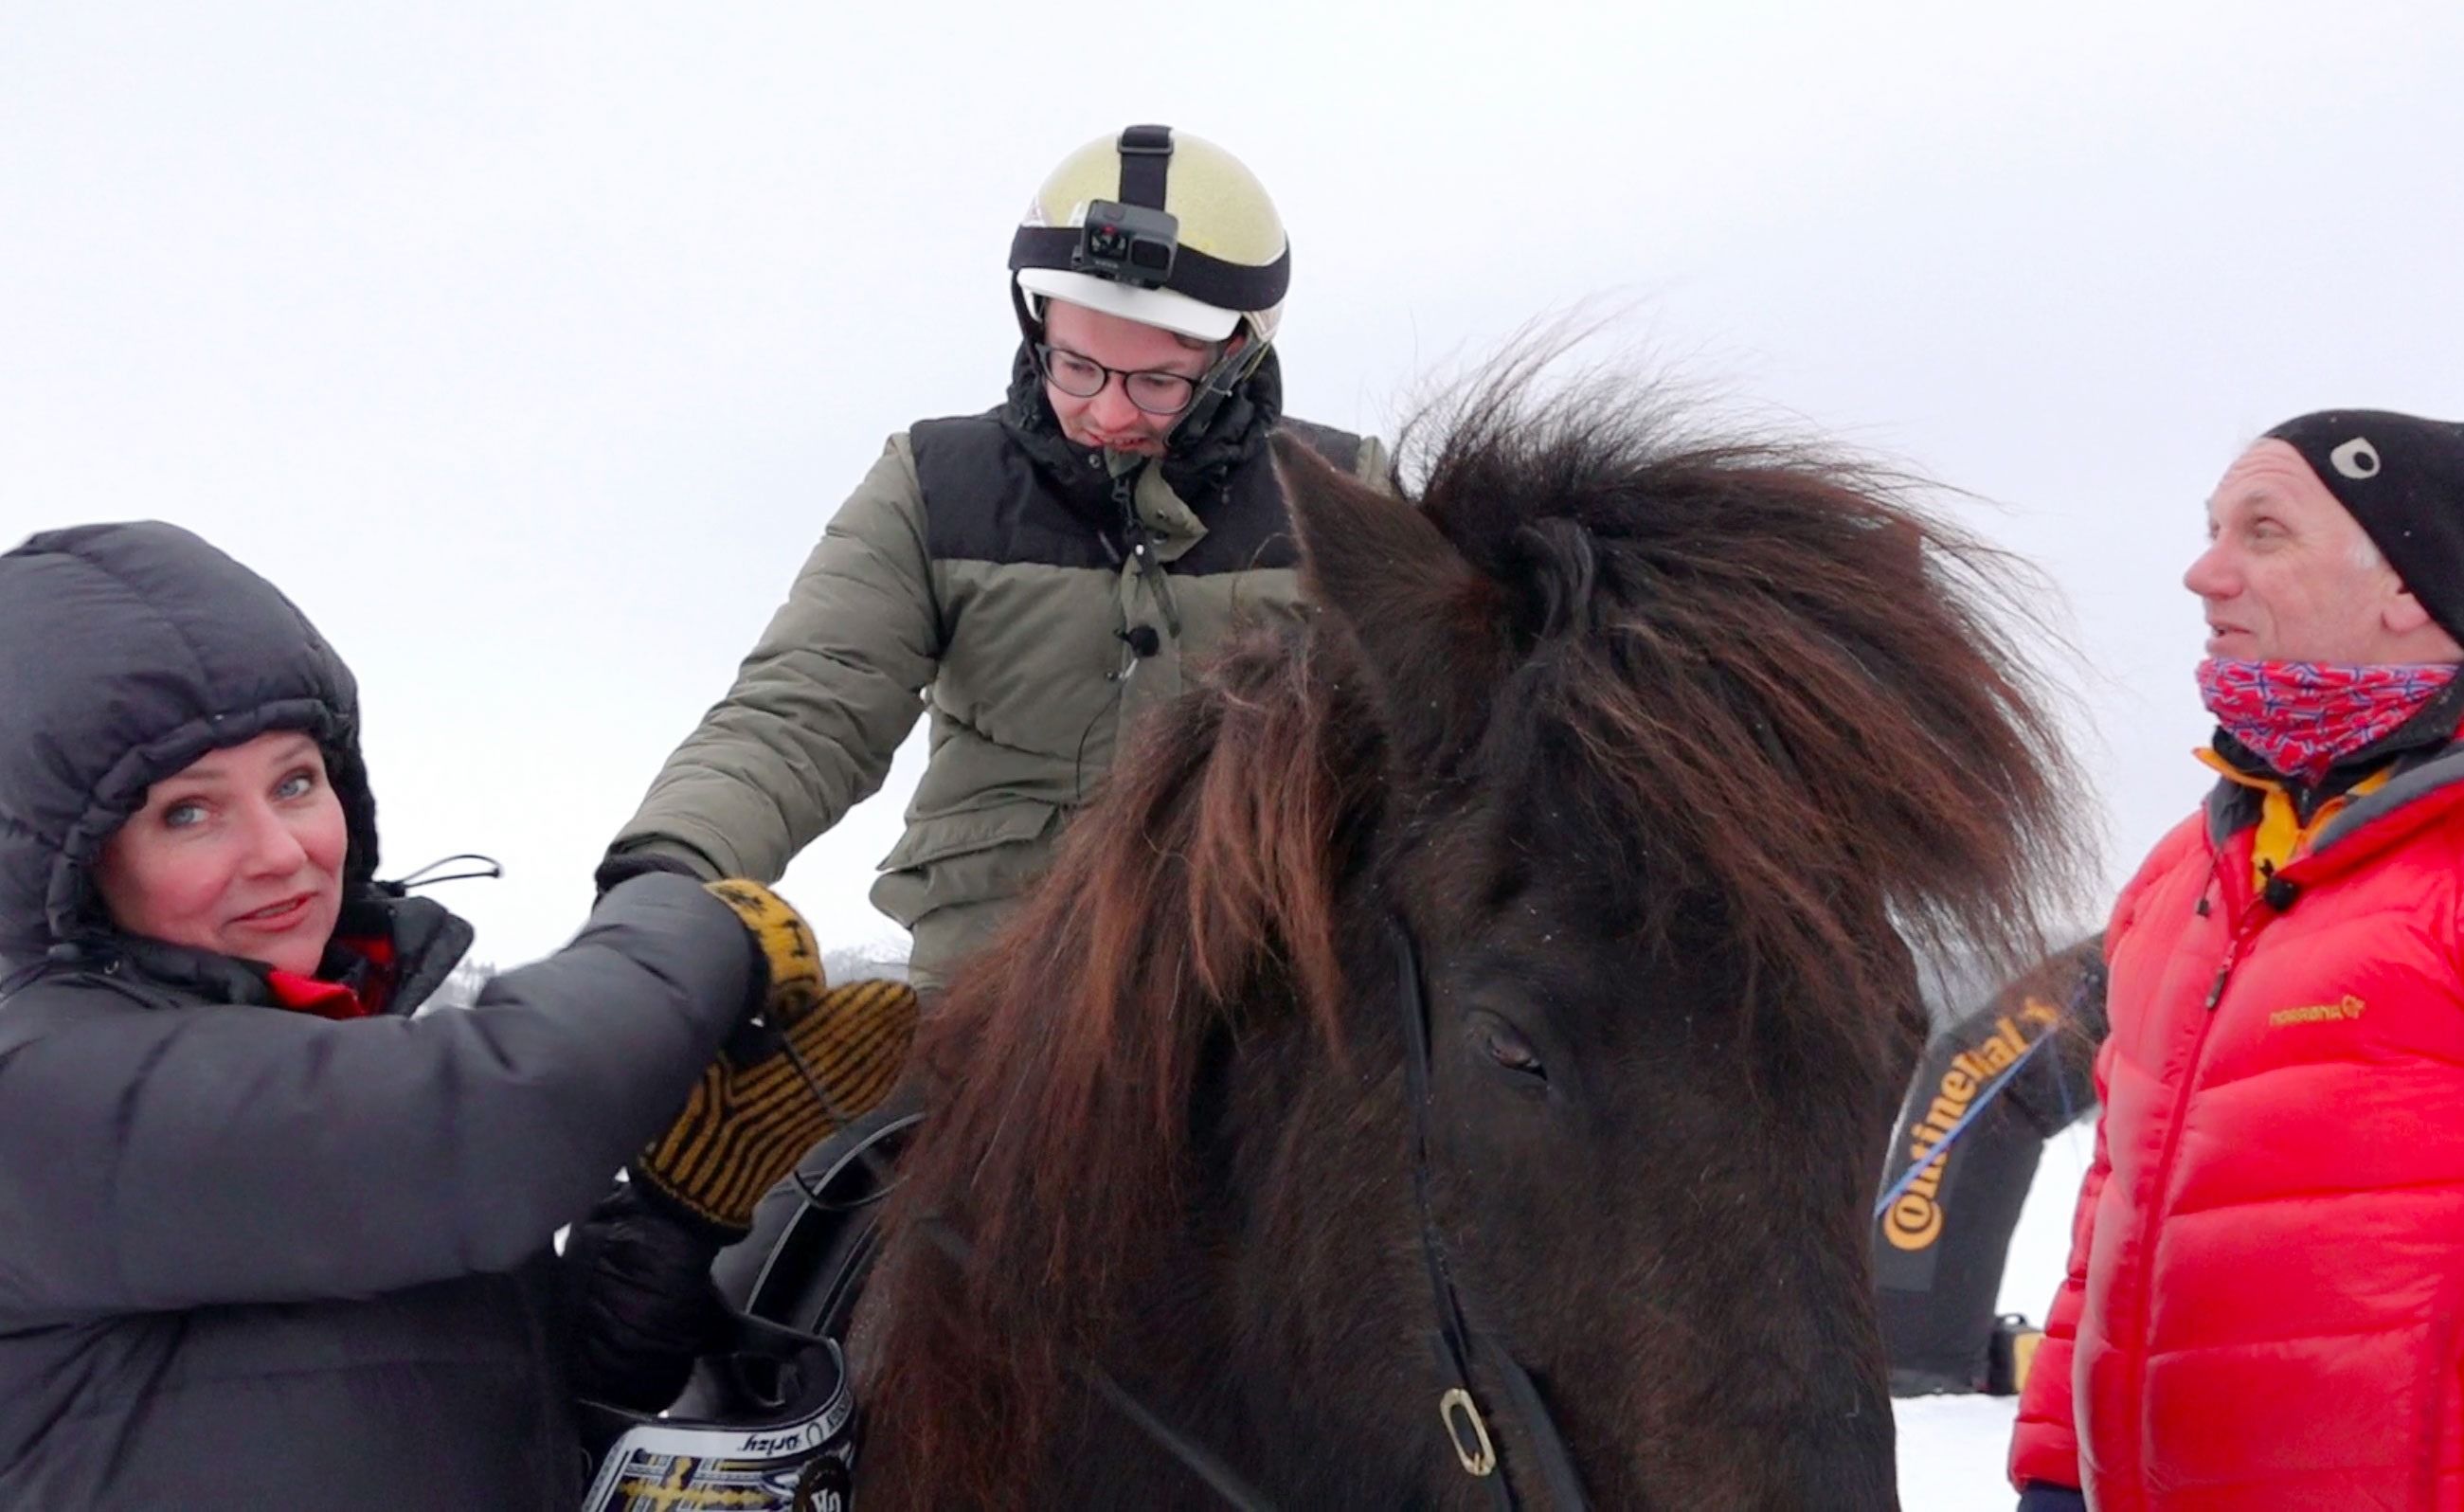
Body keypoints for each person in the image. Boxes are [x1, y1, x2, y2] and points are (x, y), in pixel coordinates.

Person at [0, 521, 916, 1508]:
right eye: (190, 810)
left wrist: (668, 1223)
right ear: (65, 857)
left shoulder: (342, 1059)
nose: (280, 851)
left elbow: (516, 1420)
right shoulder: (42, 1092)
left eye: (297, 782)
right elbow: (492, 1123)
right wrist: (687, 912)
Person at [597, 124, 1393, 990]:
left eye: (1158, 382)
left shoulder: (1345, 498)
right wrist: (664, 879)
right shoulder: (932, 486)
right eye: (1076, 365)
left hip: (1273, 1017)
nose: (1109, 413)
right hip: (986, 1011)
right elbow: (805, 710)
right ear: (1034, 321)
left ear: (1238, 353)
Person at [2010, 410, 2464, 1511]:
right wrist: (2058, 1472)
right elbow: (2116, 1191)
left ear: (2411, 585)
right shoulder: (2184, 872)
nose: (2203, 574)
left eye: (2264, 533)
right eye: (2213, 530)